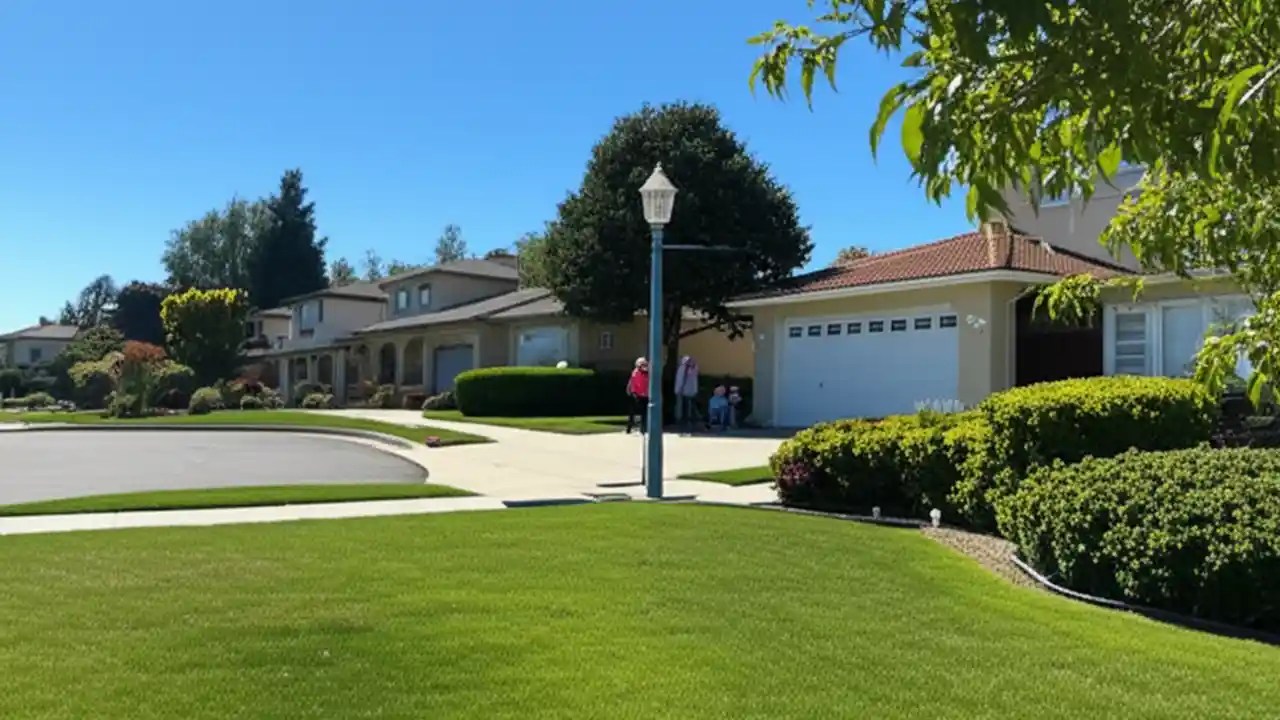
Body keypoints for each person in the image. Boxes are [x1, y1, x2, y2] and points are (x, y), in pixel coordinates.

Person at [673, 355, 701, 433]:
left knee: (690, 408)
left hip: (690, 391)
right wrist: (679, 389)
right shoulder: (683, 369)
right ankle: (684, 423)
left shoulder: (693, 368)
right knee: (684, 408)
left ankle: (689, 422)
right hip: (684, 391)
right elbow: (680, 380)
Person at [625, 357, 649, 434]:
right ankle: (630, 427)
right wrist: (633, 393)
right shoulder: (636, 373)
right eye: (642, 365)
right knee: (633, 412)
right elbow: (633, 384)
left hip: (644, 395)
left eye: (645, 364)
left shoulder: (646, 373)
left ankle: (643, 428)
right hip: (637, 395)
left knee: (643, 412)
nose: (644, 366)